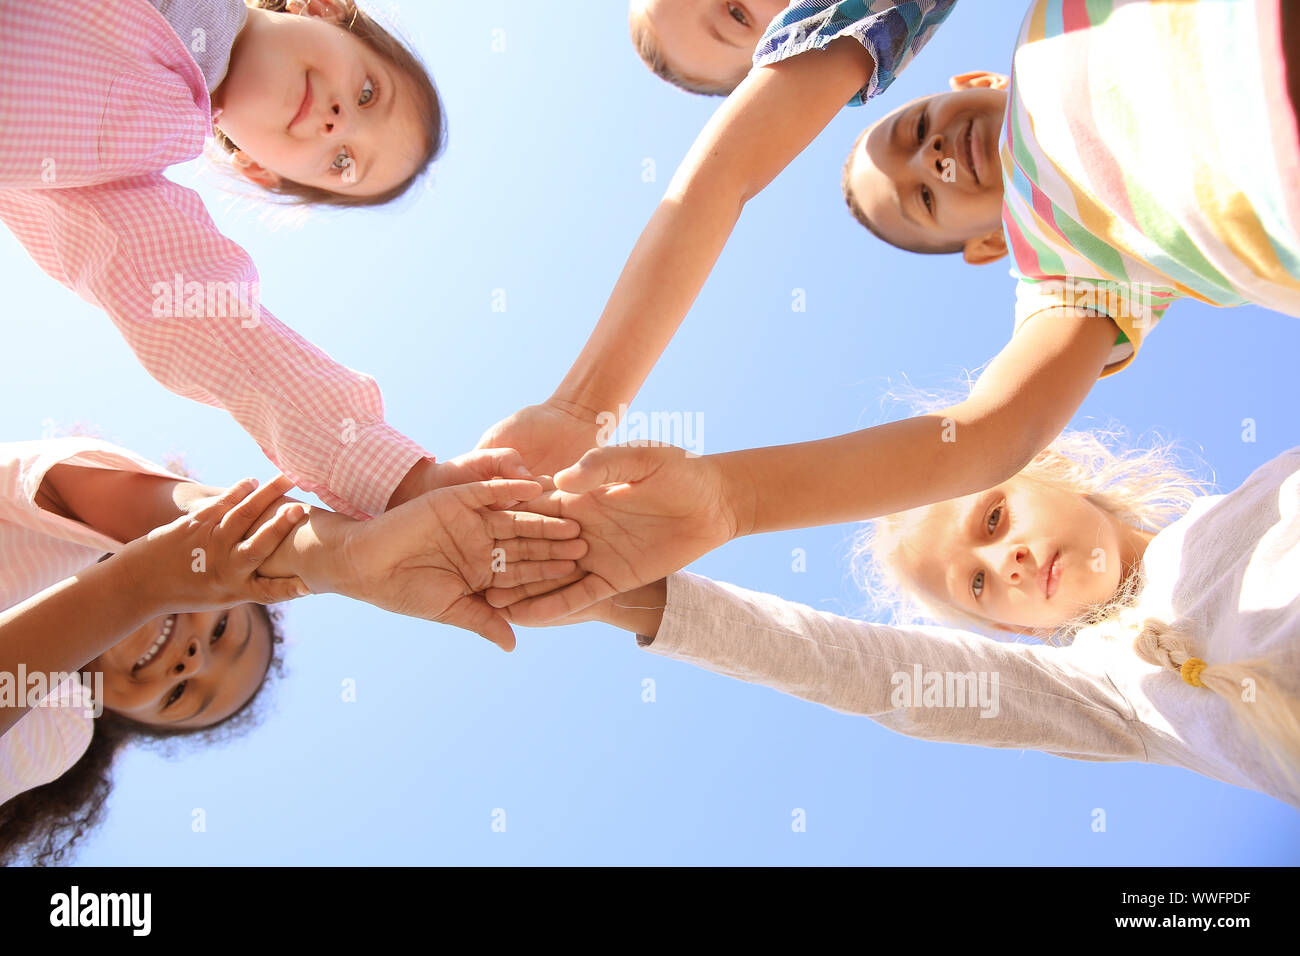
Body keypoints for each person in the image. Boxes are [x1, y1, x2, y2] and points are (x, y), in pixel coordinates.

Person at [495, 436, 1300, 809]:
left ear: (1052, 470)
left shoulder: (1255, 500)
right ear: (1016, 637)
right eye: (981, 587)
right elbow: (864, 670)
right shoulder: (1106, 691)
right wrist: (619, 591)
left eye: (993, 521)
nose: (1008, 563)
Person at [0, 0, 492, 519]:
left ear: (259, 168)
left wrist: (405, 483)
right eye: (368, 93)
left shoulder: (121, 157)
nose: (339, 122)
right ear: (325, 9)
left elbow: (216, 329)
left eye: (342, 161)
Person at [0, 436, 583, 863]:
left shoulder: (51, 731)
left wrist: (140, 588)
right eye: (224, 631)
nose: (191, 661)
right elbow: (208, 527)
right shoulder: (63, 521)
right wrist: (345, 554)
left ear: (121, 718)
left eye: (180, 693)